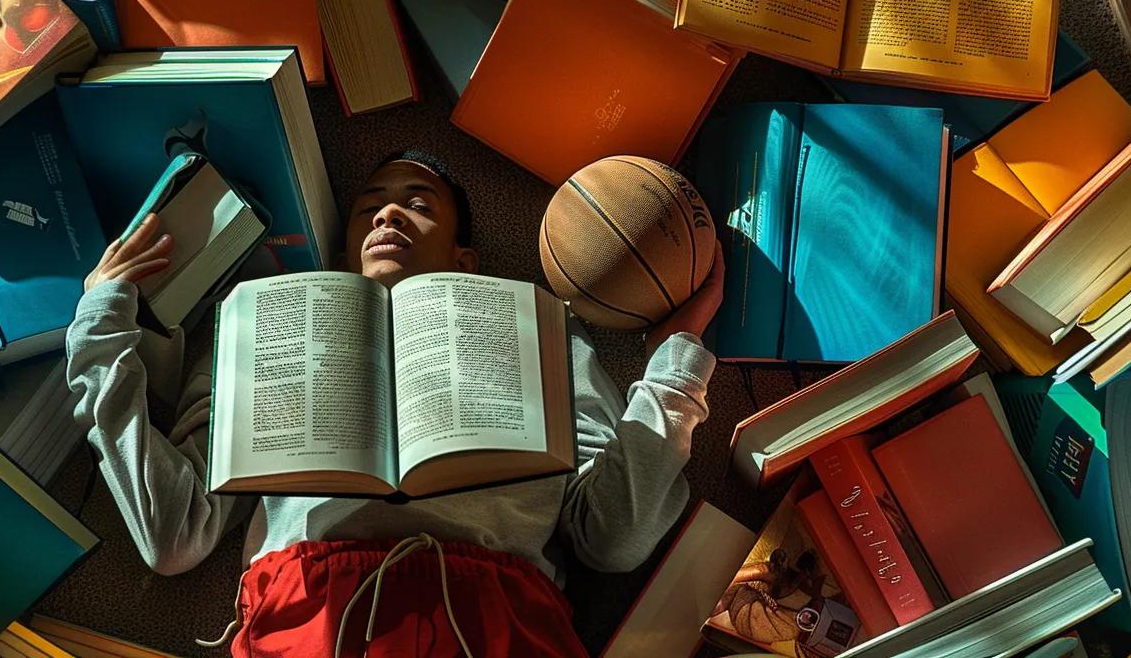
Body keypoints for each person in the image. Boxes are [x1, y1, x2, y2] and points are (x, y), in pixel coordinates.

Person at [64, 150, 723, 657]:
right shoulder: (264, 325)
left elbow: (613, 532)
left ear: (466, 262)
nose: (386, 214)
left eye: (419, 203)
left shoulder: (542, 330)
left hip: (499, 617)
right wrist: (99, 325)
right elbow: (176, 533)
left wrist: (676, 357)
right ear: (346, 252)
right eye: (368, 206)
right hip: (311, 614)